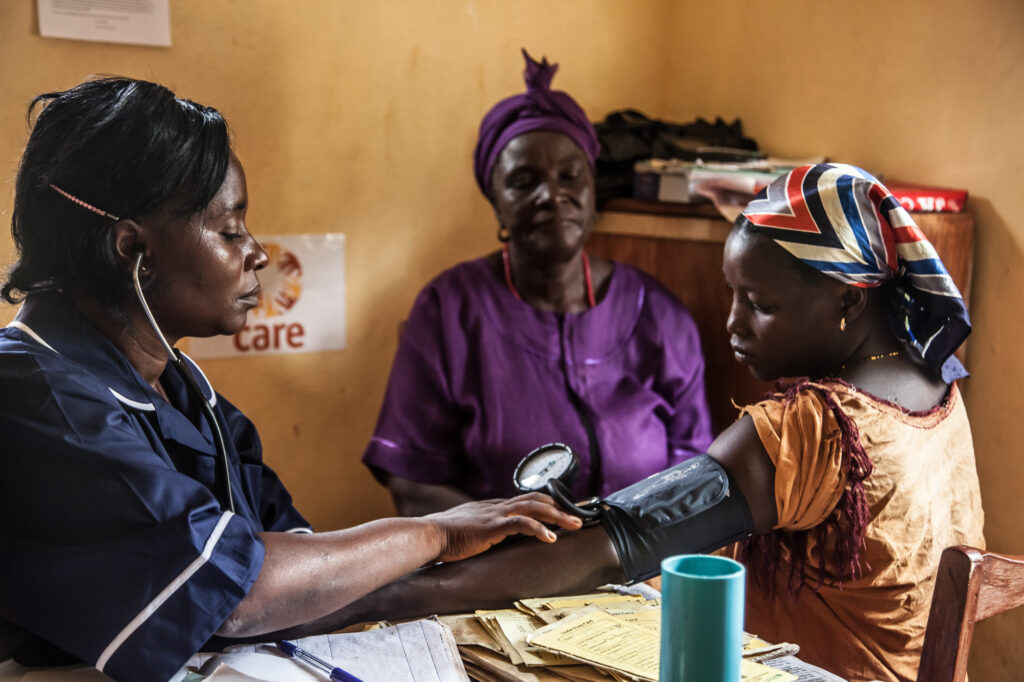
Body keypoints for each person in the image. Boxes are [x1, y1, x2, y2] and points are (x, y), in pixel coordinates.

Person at [0, 78, 584, 682]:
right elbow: (243, 589)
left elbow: (297, 556)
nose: (256, 252)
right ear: (131, 249)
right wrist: (434, 534)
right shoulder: (34, 396)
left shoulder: (179, 391)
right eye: (229, 231)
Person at [334, 164, 986, 682]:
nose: (732, 324)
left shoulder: (812, 428)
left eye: (758, 304)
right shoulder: (934, 382)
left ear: (847, 296)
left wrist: (369, 600)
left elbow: (605, 548)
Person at [362, 50, 714, 515]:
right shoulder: (449, 310)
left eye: (571, 176)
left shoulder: (659, 314)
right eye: (524, 181)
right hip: (502, 573)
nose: (553, 195)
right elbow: (412, 486)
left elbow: (697, 475)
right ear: (497, 205)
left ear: (592, 190)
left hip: (641, 572)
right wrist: (515, 540)